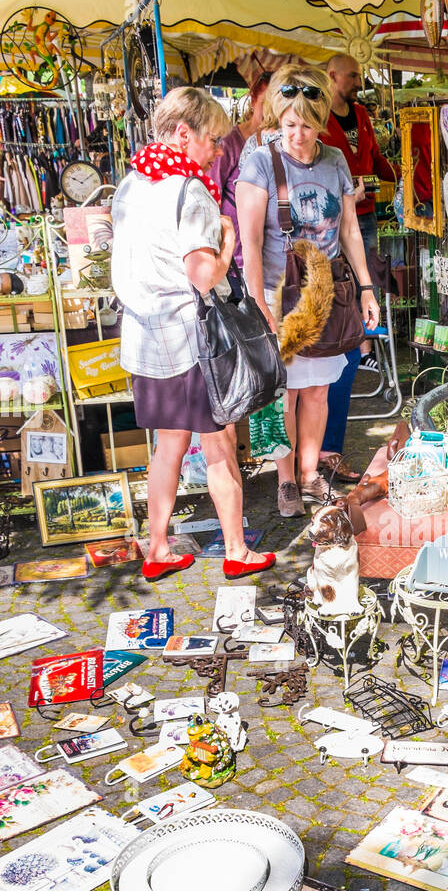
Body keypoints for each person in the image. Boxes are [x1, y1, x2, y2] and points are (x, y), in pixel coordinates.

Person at [111, 87, 276, 582]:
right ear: (183, 134)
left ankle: (157, 546)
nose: (220, 149)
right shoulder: (189, 190)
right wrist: (227, 241)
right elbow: (203, 274)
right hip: (190, 336)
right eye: (213, 139)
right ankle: (236, 550)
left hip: (143, 333)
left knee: (168, 444)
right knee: (219, 442)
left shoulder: (133, 182)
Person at [236, 65, 380, 517]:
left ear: (321, 121)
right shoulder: (260, 160)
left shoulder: (336, 159)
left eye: (308, 124)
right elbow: (251, 242)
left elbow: (351, 230)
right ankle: (285, 481)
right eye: (289, 124)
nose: (298, 135)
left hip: (327, 293)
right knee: (285, 393)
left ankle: (309, 471)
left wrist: (366, 288)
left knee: (318, 390)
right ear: (278, 119)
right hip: (280, 294)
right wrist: (259, 303)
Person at [319, 55, 397, 483]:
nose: (359, 82)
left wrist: (399, 176)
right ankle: (310, 459)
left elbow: (376, 156)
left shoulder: (362, 115)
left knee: (359, 286)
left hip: (363, 213)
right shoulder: (319, 125)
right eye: (352, 76)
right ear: (332, 77)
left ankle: (363, 344)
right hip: (328, 234)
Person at [210, 73, 270, 268]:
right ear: (253, 100)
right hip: (239, 256)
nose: (271, 112)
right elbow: (212, 194)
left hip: (271, 252)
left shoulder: (284, 143)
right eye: (265, 103)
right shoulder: (230, 142)